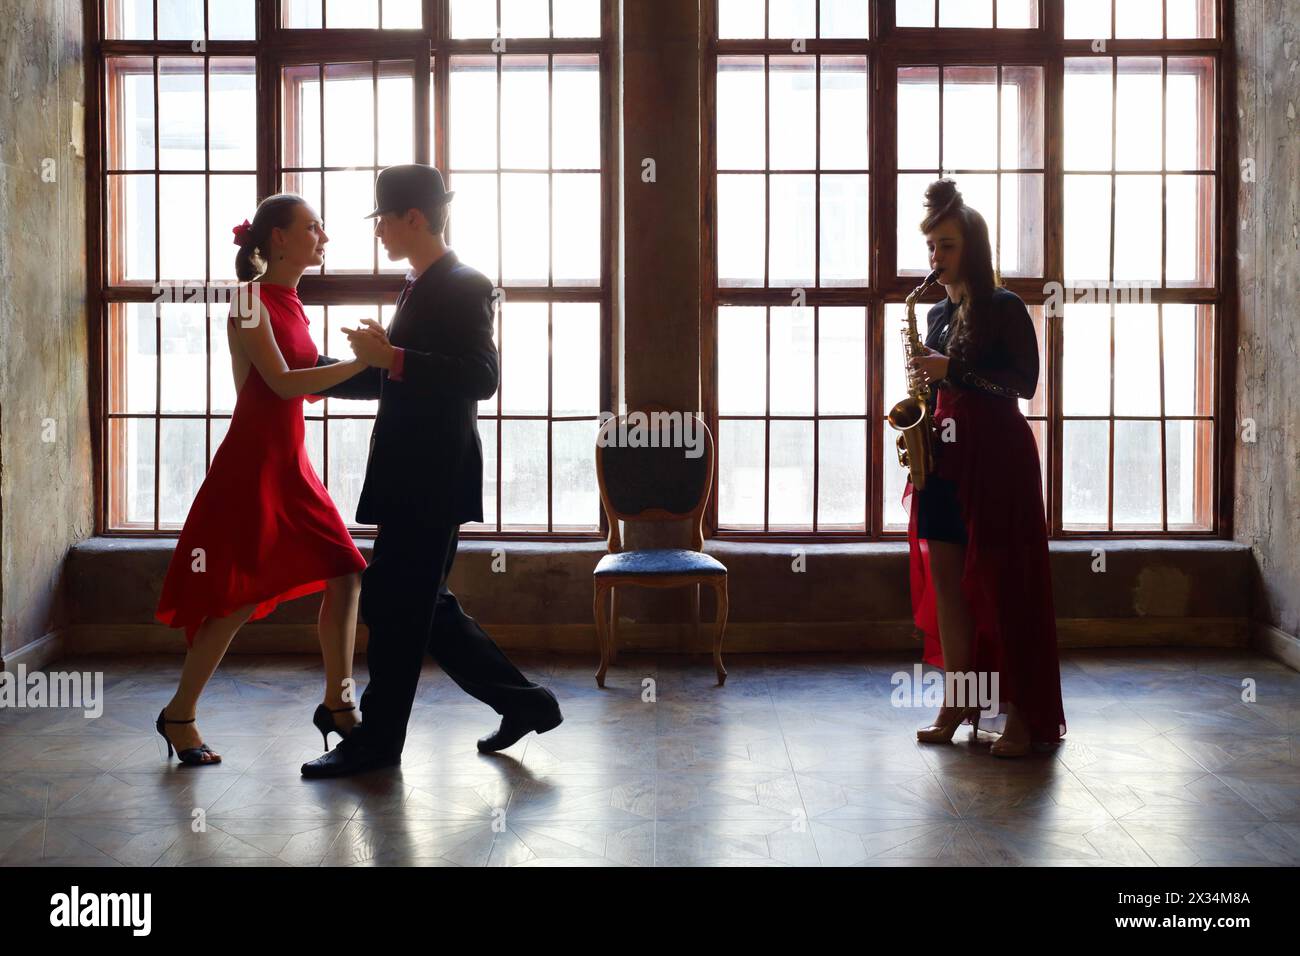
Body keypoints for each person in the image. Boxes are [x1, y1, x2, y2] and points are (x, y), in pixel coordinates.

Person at [300, 164, 562, 779]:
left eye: (383, 220)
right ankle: (527, 704)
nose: (378, 233)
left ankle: (377, 743)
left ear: (413, 217)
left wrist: (389, 355)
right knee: (422, 606)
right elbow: (396, 376)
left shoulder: (466, 283)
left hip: (432, 477)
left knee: (395, 606)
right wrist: (313, 374)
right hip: (411, 476)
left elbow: (480, 377)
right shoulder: (419, 283)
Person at [154, 194, 375, 765]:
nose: (322, 236)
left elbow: (309, 375)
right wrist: (367, 363)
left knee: (346, 572)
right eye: (312, 227)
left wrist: (381, 370)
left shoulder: (291, 302)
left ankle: (339, 703)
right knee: (233, 598)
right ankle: (180, 714)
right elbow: (281, 384)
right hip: (254, 465)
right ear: (278, 237)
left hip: (289, 464)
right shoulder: (249, 301)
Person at [904, 179, 1066, 757]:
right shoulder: (938, 315)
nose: (935, 258)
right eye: (931, 247)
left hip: (998, 460)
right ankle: (959, 698)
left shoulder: (1006, 307)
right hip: (946, 458)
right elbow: (936, 389)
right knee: (950, 585)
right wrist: (920, 405)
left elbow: (1023, 385)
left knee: (1005, 585)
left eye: (945, 246)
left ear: (971, 247)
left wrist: (956, 373)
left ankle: (1022, 713)